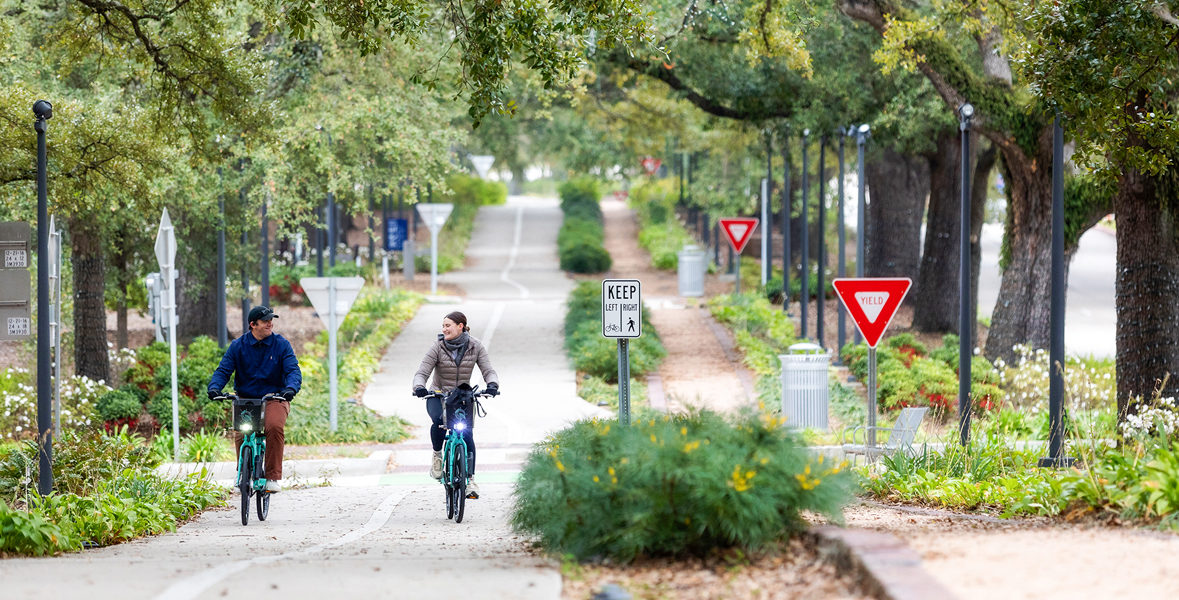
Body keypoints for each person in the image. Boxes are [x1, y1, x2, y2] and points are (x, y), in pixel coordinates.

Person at [207, 306, 302, 493]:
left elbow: (293, 370)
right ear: (253, 324)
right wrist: (214, 387)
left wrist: (290, 388)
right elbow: (223, 370)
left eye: (271, 320)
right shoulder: (238, 346)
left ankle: (272, 477)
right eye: (265, 321)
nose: (270, 323)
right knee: (242, 433)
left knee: (273, 426)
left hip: (275, 397)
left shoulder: (281, 345)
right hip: (246, 399)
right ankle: (243, 475)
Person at [413, 311, 499, 499]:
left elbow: (488, 370)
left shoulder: (475, 346)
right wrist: (419, 387)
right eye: (443, 326)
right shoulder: (437, 347)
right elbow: (422, 372)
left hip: (462, 395)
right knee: (438, 421)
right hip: (438, 394)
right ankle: (437, 455)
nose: (444, 329)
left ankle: (470, 480)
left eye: (448, 325)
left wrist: (492, 385)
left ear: (460, 326)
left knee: (467, 433)